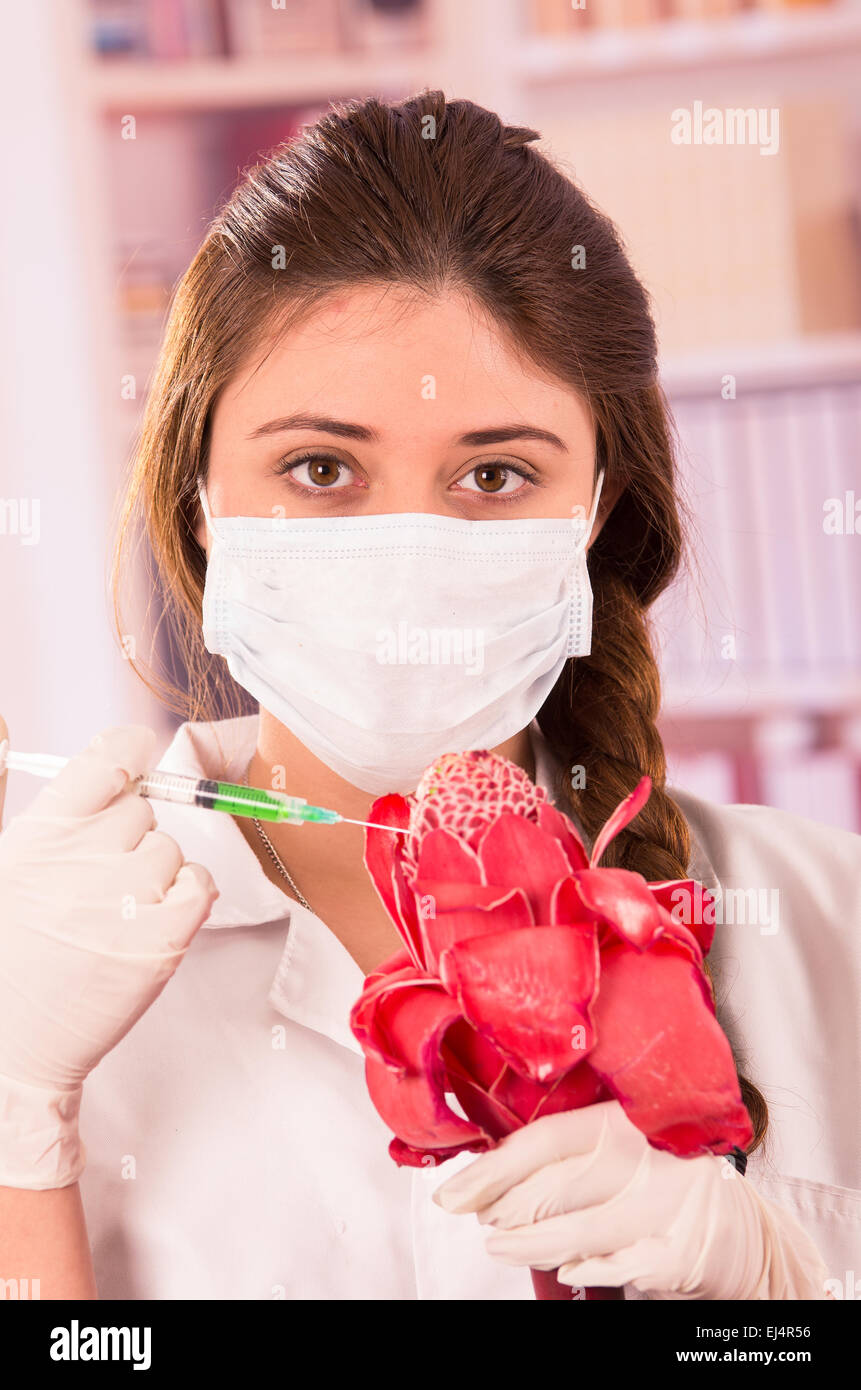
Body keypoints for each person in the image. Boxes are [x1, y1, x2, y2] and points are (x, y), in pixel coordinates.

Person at [1, 92, 857, 1301]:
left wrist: (775, 1302)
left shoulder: (827, 925)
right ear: (202, 502)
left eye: (494, 474)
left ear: (597, 509)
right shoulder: (34, 969)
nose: (405, 549)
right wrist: (15, 1120)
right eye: (320, 469)